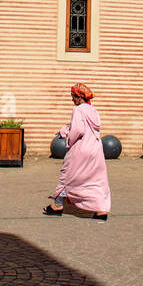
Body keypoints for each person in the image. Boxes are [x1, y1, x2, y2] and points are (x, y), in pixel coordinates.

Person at [43, 83, 110, 220]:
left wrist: (69, 141)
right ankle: (101, 210)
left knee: (67, 176)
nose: (72, 99)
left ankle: (57, 205)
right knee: (97, 180)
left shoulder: (78, 110)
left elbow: (78, 130)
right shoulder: (94, 111)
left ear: (79, 97)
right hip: (96, 150)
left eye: (73, 96)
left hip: (81, 149)